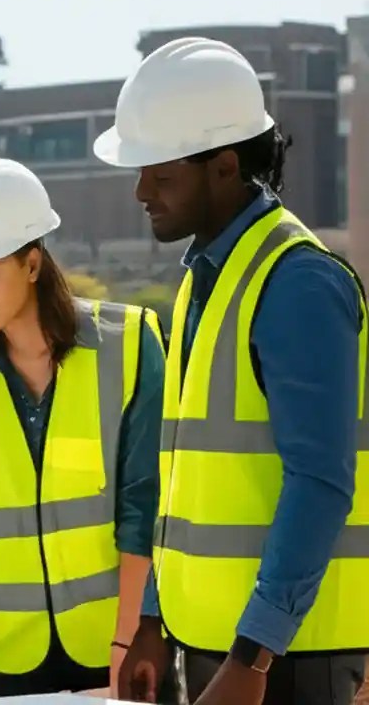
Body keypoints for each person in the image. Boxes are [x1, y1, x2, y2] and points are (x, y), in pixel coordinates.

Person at [95, 37, 369, 705]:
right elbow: (189, 484)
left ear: (222, 166)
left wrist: (254, 657)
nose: (140, 192)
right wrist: (156, 617)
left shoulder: (298, 282)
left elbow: (322, 483)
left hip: (293, 658)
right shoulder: (203, 281)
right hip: (214, 644)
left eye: (160, 175)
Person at [0, 155, 165, 702]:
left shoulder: (130, 344)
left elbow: (143, 511)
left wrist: (129, 640)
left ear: (32, 263)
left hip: (114, 656)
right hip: (5, 664)